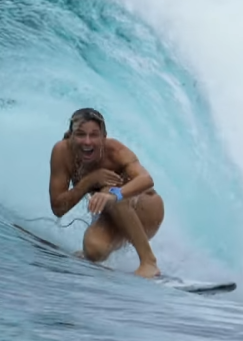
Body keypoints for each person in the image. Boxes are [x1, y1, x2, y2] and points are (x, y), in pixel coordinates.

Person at [48, 107, 164, 278]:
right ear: (71, 135)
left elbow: (146, 179)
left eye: (94, 135)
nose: (87, 142)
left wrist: (114, 195)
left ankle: (149, 262)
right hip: (115, 215)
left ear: (104, 137)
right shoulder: (62, 152)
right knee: (94, 250)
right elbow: (58, 208)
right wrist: (90, 180)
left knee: (111, 191)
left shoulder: (115, 151)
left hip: (147, 210)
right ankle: (107, 242)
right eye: (80, 134)